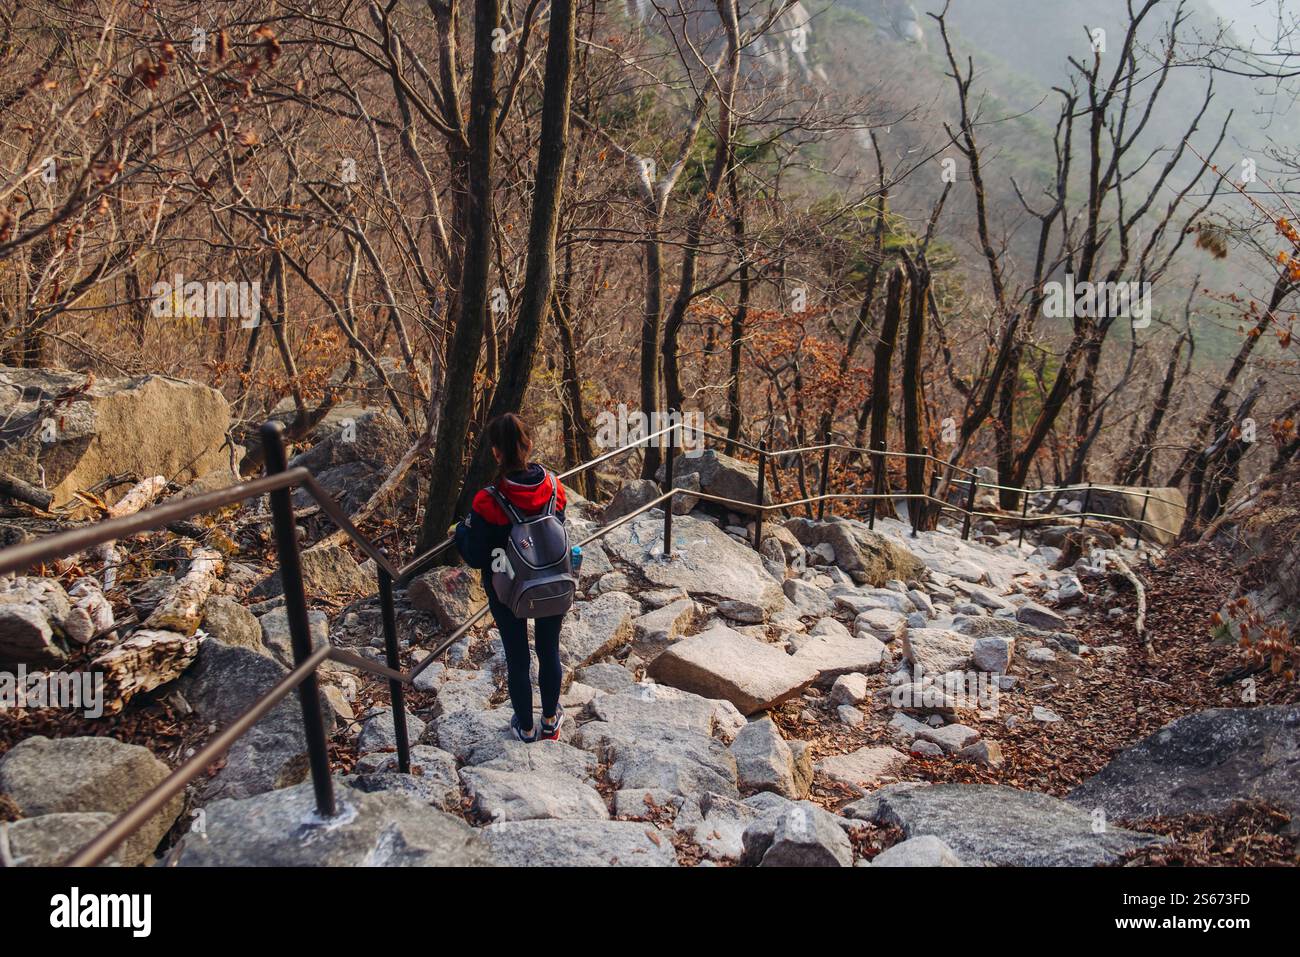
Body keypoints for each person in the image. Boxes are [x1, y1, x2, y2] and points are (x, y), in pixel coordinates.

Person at [454, 413, 567, 743]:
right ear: (528, 445)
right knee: (549, 650)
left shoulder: (488, 501)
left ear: (496, 453)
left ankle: (526, 727)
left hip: (507, 588)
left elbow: (476, 556)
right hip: (552, 581)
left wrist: (462, 532)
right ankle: (550, 720)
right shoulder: (554, 488)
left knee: (517, 655)